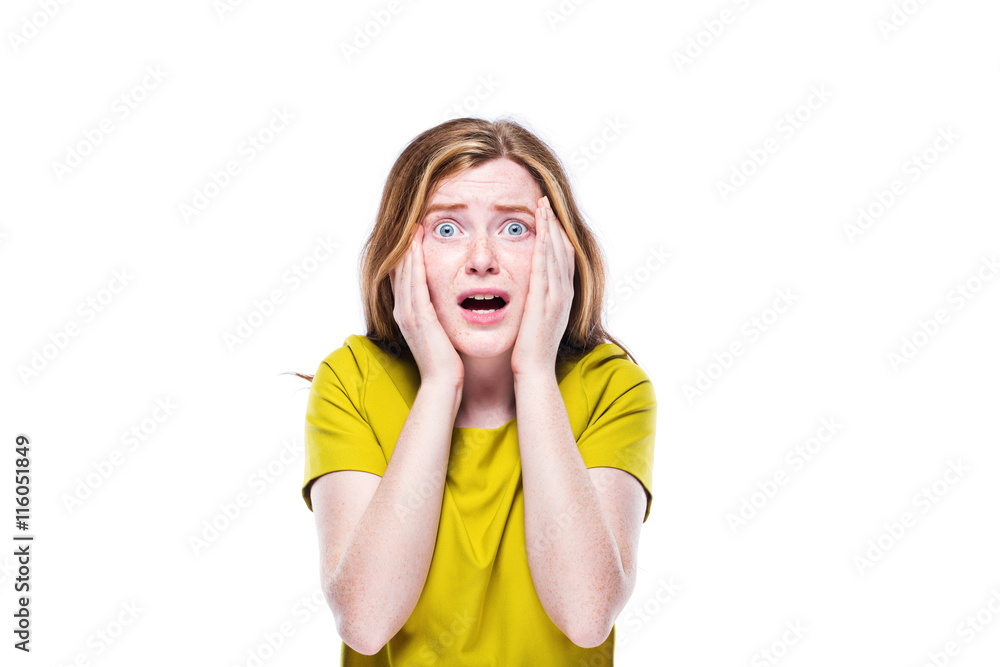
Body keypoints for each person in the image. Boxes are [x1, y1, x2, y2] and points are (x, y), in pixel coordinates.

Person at [299, 117, 656, 665]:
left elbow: (587, 616)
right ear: (402, 253)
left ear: (560, 252)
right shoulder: (352, 381)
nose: (482, 257)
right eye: (446, 229)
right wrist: (441, 381)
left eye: (515, 229)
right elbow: (365, 623)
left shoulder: (612, 386)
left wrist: (534, 371)